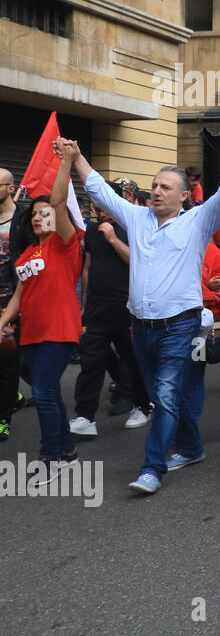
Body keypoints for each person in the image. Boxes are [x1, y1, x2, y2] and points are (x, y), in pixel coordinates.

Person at [71, 140, 220, 494]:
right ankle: (191, 448)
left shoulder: (199, 220)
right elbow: (98, 189)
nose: (156, 191)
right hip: (140, 327)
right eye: (153, 185)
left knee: (166, 396)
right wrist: (76, 158)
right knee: (162, 396)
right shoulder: (136, 218)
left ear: (184, 196)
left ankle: (152, 468)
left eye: (165, 187)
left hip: (180, 326)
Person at [0, 146, 83, 475]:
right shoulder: (28, 254)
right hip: (31, 333)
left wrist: (65, 162)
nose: (38, 216)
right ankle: (67, 448)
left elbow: (59, 202)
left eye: (44, 212)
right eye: (33, 213)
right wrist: (3, 321)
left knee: (45, 391)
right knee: (48, 393)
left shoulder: (65, 244)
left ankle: (52, 457)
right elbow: (20, 292)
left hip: (58, 330)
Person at [69, 193, 152, 438]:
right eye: (96, 207)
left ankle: (142, 405)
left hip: (125, 307)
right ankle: (85, 416)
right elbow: (87, 267)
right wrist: (84, 303)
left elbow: (138, 262)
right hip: (96, 307)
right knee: (91, 360)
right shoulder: (92, 232)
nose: (100, 211)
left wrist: (114, 239)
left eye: (104, 207)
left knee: (132, 358)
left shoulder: (131, 228)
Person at [0, 168, 20, 441]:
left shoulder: (24, 219)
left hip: (14, 302)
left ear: (11, 188)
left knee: (8, 364)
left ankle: (3, 418)